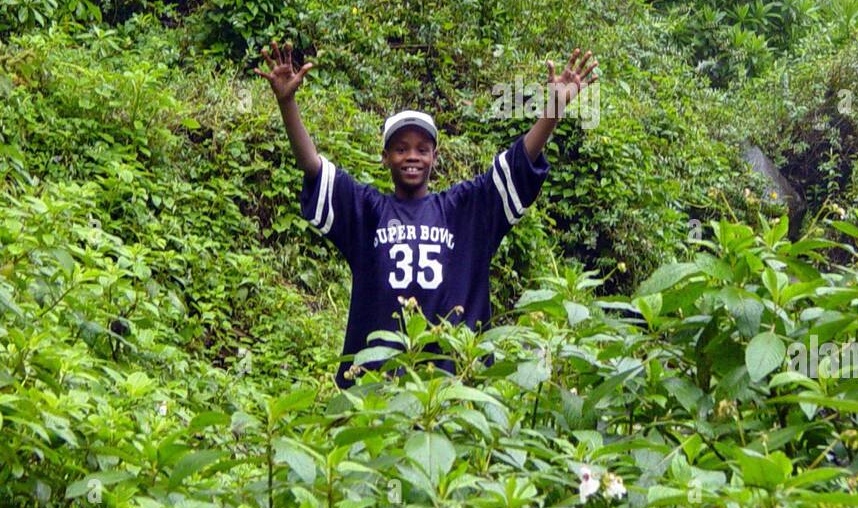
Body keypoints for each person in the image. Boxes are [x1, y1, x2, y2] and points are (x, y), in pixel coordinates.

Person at [253, 42, 599, 387]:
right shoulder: (368, 211)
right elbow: (314, 168)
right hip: (377, 383)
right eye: (401, 149)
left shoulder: (464, 211)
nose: (412, 157)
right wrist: (287, 102)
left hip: (452, 385)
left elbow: (518, 163)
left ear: (435, 156)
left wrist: (553, 108)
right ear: (385, 157)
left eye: (422, 149)